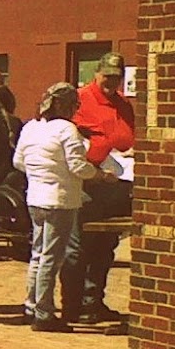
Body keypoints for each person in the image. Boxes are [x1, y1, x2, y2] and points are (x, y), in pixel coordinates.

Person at [14, 82, 103, 333]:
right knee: (51, 258)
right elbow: (77, 166)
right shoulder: (66, 129)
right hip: (60, 200)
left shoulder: (30, 127)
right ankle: (44, 313)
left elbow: (18, 161)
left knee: (37, 254)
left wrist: (41, 172)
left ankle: (31, 306)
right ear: (65, 105)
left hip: (35, 198)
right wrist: (99, 175)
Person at [65, 51, 135, 323]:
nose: (111, 82)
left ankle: (94, 301)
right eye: (107, 76)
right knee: (81, 246)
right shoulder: (80, 99)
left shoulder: (124, 104)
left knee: (105, 247)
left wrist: (130, 151)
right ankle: (74, 305)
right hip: (89, 182)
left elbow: (128, 135)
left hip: (117, 183)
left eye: (117, 77)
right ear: (97, 73)